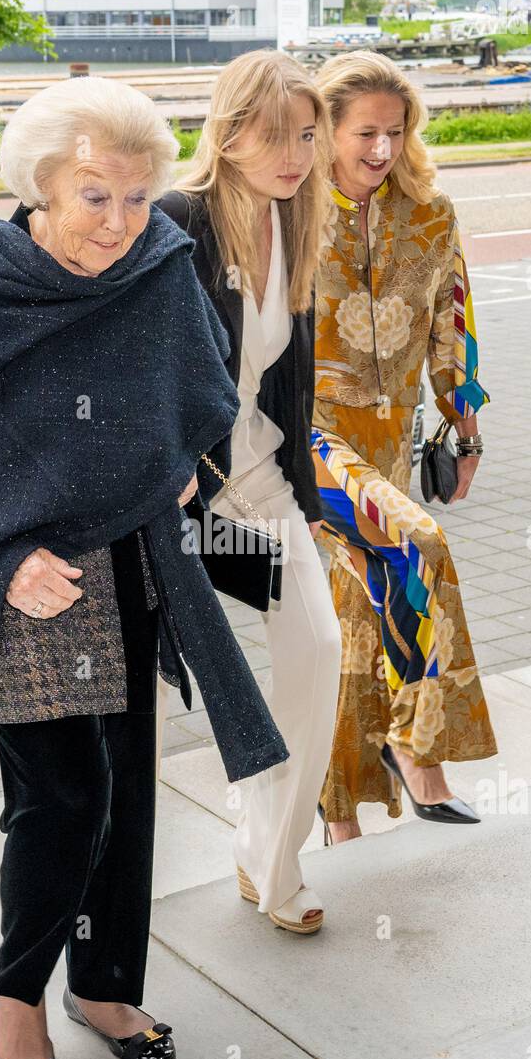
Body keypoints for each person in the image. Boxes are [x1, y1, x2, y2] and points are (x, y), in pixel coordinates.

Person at [0, 76, 288, 1059]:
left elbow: (197, 376)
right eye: (94, 196)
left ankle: (102, 985)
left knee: (128, 790)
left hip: (132, 560)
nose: (121, 222)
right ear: (38, 186)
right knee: (64, 799)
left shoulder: (154, 261)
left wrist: (179, 453)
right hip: (22, 583)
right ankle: (19, 997)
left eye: (139, 196)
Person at [156, 50, 342, 934]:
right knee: (185, 686)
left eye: (307, 134)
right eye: (273, 135)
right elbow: (141, 360)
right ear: (229, 134)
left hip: (261, 482)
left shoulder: (298, 220)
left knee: (319, 652)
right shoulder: (178, 221)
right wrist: (167, 465)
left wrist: (307, 492)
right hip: (194, 501)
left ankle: (268, 854)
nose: (295, 153)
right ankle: (265, 857)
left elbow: (288, 381)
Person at [311, 51, 499, 840]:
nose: (381, 150)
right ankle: (420, 755)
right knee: (415, 550)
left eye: (395, 132)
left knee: (354, 626)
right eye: (365, 133)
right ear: (325, 129)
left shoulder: (432, 212)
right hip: (309, 438)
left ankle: (342, 820)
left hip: (391, 439)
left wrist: (465, 426)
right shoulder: (288, 210)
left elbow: (451, 323)